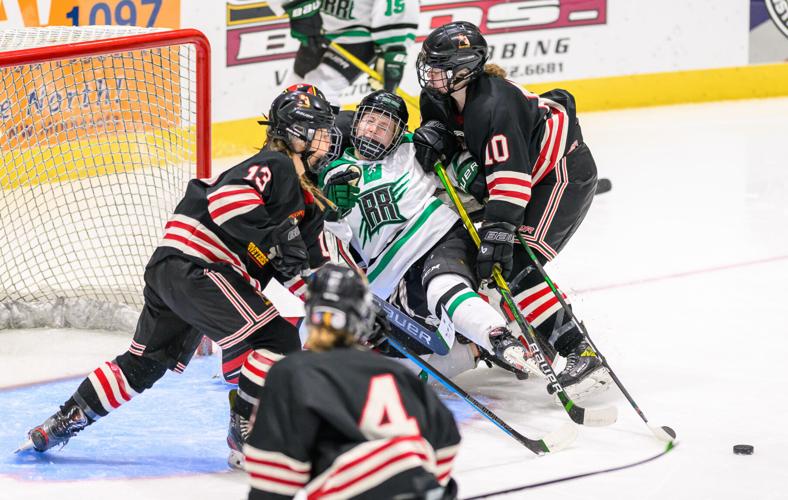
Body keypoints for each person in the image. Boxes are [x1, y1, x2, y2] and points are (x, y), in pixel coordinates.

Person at [17, 85, 341, 459]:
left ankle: (59, 423)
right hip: (200, 267)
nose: (327, 141)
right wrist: (275, 237)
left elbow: (300, 273)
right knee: (277, 341)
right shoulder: (277, 165)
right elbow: (225, 201)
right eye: (319, 131)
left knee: (143, 365)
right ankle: (247, 433)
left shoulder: (305, 205)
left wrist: (333, 303)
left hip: (173, 270)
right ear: (295, 133)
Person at [412, 21, 612, 400]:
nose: (432, 72)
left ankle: (581, 353)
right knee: (493, 264)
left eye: (442, 66)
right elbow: (448, 137)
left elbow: (511, 179)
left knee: (516, 261)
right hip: (524, 180)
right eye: (430, 63)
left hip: (560, 176)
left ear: (467, 68)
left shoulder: (496, 104)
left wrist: (500, 231)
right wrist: (436, 139)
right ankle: (538, 337)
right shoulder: (438, 98)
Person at [318, 90, 534, 380]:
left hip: (438, 235)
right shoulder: (333, 173)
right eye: (368, 122)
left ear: (397, 134)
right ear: (355, 123)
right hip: (387, 279)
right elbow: (334, 243)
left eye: (384, 127)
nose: (373, 131)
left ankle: (497, 336)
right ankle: (473, 350)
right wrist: (333, 213)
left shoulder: (412, 149)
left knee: (442, 286)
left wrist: (469, 170)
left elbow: (457, 169)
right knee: (397, 372)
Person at [244, 263, 460, 500]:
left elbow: (274, 479)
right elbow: (446, 439)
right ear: (363, 318)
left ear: (312, 314)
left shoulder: (291, 373)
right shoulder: (395, 373)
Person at [269, 0, 419, 103]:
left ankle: (321, 144)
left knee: (319, 90)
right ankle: (279, 140)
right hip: (318, 26)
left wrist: (392, 49)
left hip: (357, 37)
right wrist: (300, 8)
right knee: (295, 83)